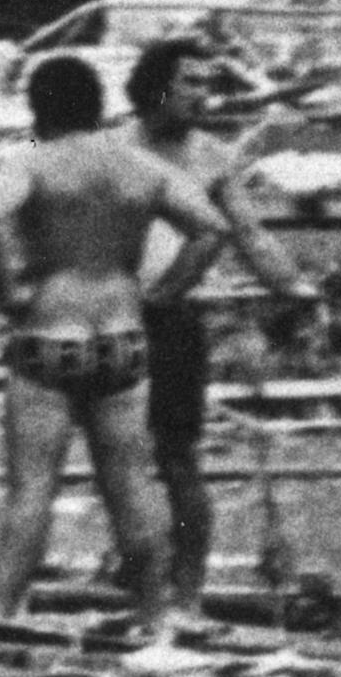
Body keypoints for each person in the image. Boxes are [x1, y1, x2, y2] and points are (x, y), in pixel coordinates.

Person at [0, 52, 305, 622]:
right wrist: (164, 293)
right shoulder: (138, 166)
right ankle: (154, 616)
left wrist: (11, 292)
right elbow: (212, 229)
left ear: (36, 107)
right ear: (99, 106)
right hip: (125, 339)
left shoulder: (26, 162)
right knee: (131, 484)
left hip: (51, 336)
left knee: (32, 489)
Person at [122, 36, 312, 626]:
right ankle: (136, 583)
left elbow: (250, 234)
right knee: (114, 458)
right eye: (191, 83)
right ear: (156, 85)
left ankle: (187, 594)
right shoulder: (110, 147)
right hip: (106, 314)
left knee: (179, 457)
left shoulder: (213, 158)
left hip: (172, 316)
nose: (203, 97)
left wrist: (293, 287)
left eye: (209, 85)